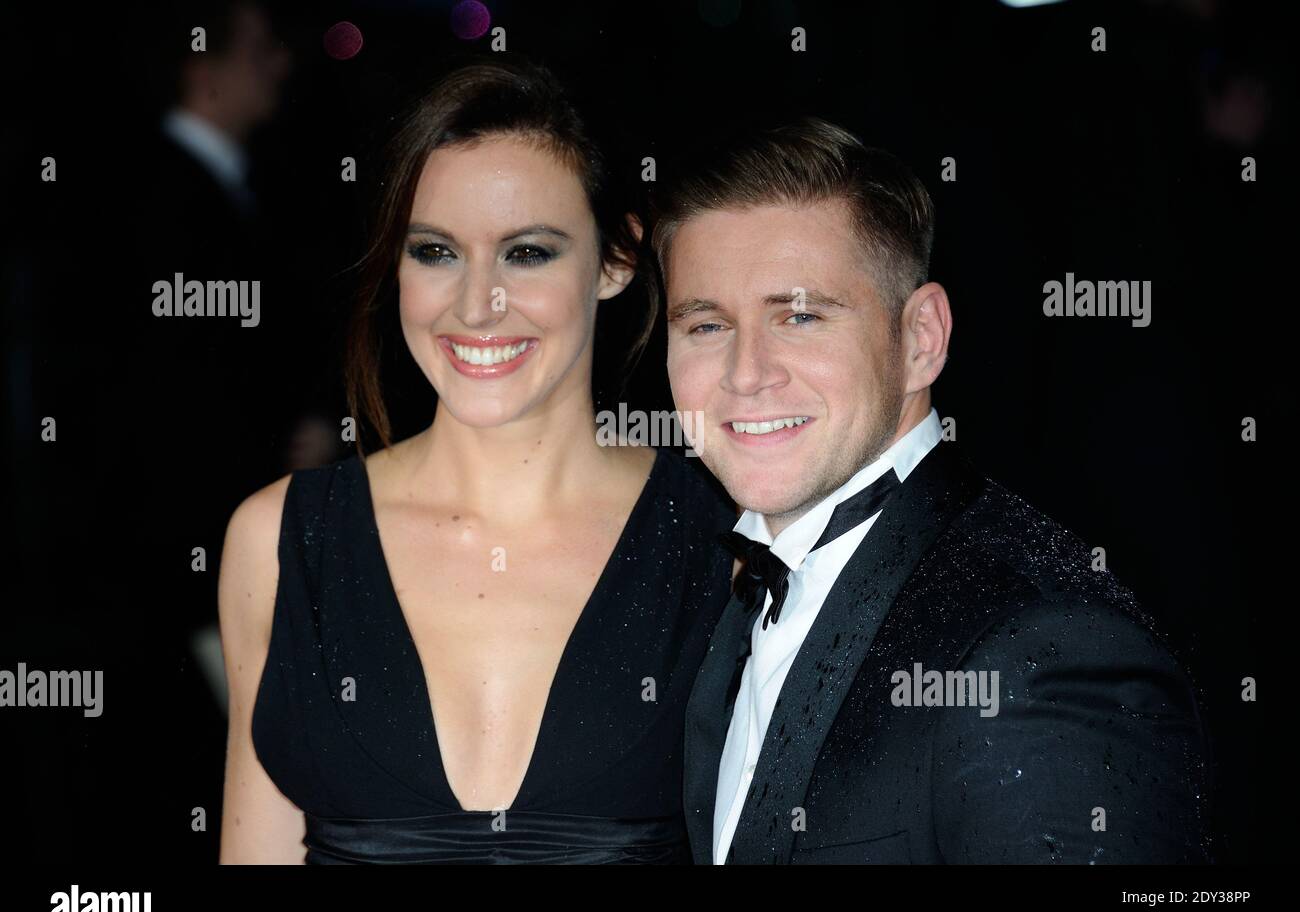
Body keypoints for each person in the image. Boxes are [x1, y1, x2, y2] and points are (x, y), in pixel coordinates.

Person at [217, 58, 734, 863]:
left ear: (617, 259)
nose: (474, 304)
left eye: (526, 253)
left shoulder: (725, 543)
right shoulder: (281, 539)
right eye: (435, 251)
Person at [656, 118, 1211, 864]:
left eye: (801, 316)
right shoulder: (738, 586)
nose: (746, 373)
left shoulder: (1043, 651)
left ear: (921, 338)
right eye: (706, 325)